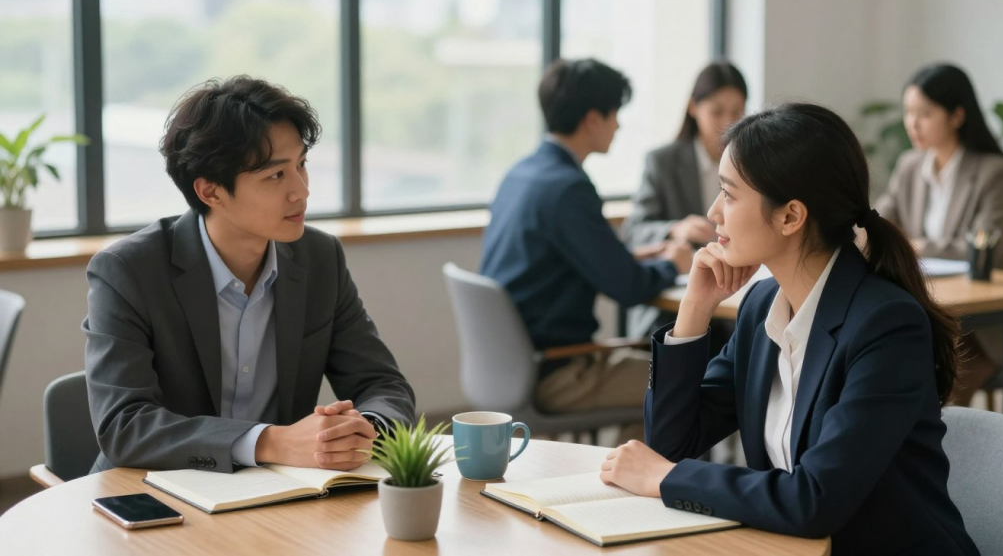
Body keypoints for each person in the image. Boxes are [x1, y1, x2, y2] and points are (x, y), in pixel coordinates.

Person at [600, 103, 978, 555]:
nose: (713, 211)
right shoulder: (761, 307)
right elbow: (671, 442)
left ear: (790, 217)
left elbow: (815, 499)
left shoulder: (886, 326)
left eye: (730, 193)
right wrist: (694, 311)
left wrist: (664, 478)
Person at [84, 76, 415, 474]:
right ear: (211, 192)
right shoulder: (128, 271)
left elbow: (384, 386)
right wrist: (271, 441)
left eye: (302, 165)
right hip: (156, 492)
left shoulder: (319, 258)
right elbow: (125, 426)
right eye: (276, 176)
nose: (301, 191)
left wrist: (364, 431)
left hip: (277, 492)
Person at [480, 59, 690, 436]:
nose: (619, 125)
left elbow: (560, 262)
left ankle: (621, 477)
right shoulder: (568, 188)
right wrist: (674, 263)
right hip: (559, 371)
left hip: (512, 365)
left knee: (659, 378)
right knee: (679, 380)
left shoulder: (523, 174)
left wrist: (636, 257)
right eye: (615, 115)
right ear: (593, 119)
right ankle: (629, 482)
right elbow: (627, 289)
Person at [876, 63, 1003, 405]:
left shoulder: (995, 172)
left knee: (936, 388)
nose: (912, 123)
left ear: (957, 115)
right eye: (908, 112)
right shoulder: (910, 165)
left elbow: (989, 249)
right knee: (877, 371)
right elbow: (876, 224)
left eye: (924, 113)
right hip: (921, 309)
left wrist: (917, 246)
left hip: (977, 327)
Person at [622, 61, 747, 250]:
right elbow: (633, 230)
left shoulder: (752, 162)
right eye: (716, 112)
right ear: (693, 107)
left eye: (737, 112)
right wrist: (674, 229)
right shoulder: (662, 162)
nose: (728, 122)